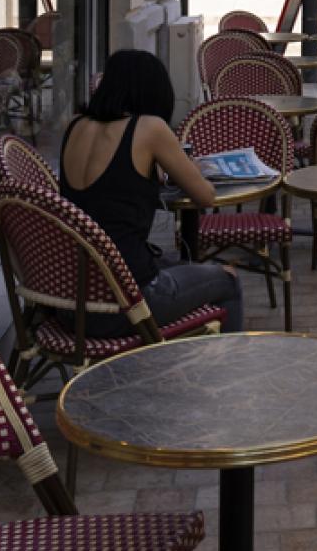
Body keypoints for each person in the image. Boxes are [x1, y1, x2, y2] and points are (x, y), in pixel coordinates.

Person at [59, 49, 243, 336]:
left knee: (179, 265)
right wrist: (190, 169)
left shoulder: (74, 125)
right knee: (227, 279)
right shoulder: (149, 128)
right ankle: (222, 373)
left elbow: (113, 187)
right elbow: (205, 197)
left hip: (72, 297)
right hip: (129, 302)